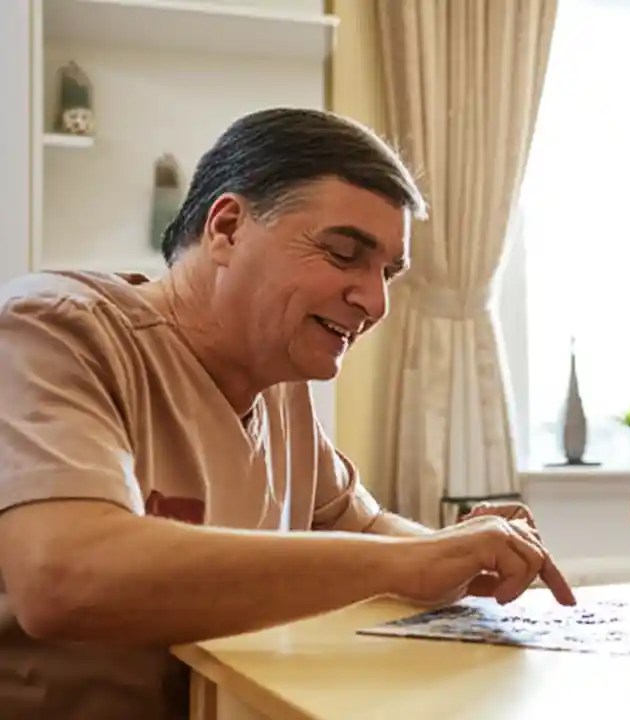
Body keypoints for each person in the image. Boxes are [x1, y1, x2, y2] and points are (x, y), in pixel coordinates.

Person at [0, 107, 574, 719]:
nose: (375, 301)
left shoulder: (280, 384)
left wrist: (463, 551)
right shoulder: (54, 328)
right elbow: (65, 577)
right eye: (344, 253)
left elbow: (367, 532)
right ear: (226, 228)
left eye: (389, 272)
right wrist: (417, 560)